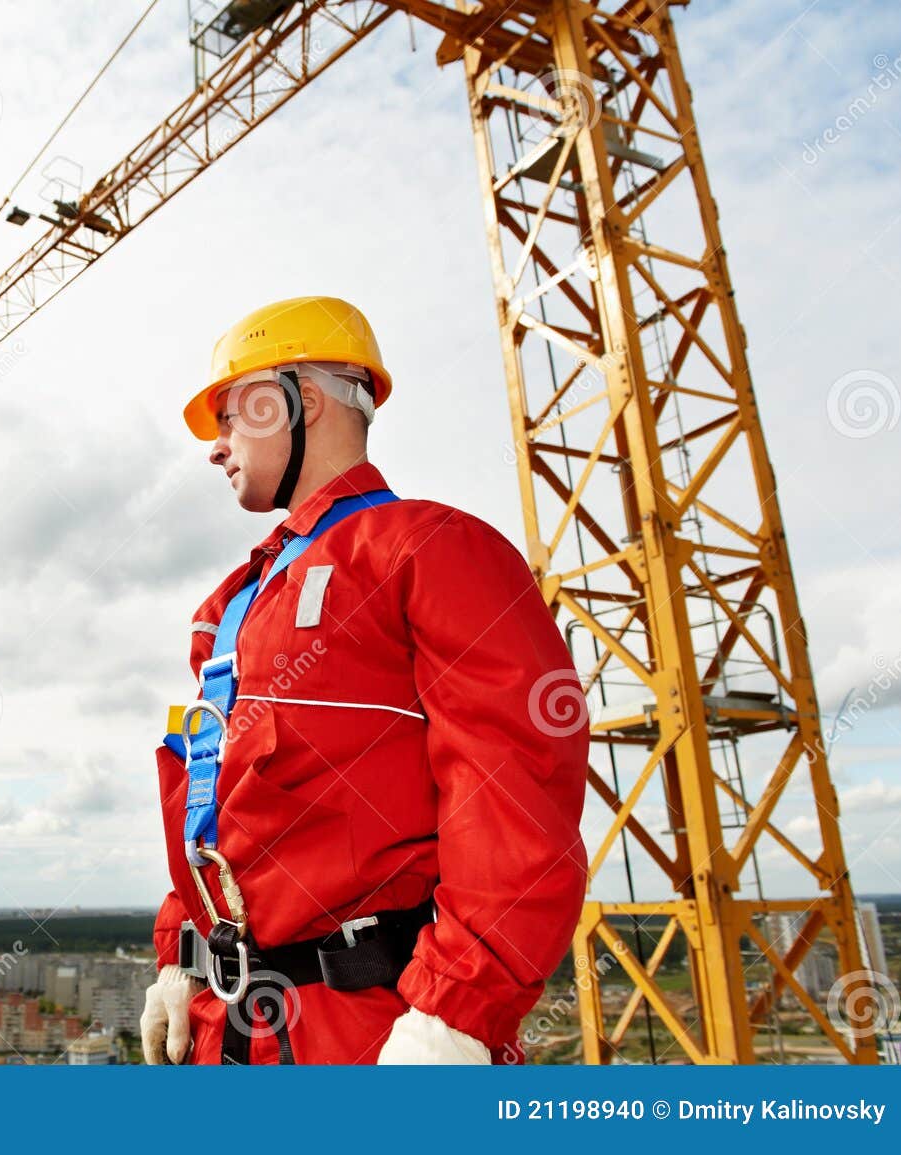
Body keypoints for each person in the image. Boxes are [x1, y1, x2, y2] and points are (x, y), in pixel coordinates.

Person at [140, 296, 589, 1065]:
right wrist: (183, 952)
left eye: (229, 417)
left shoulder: (430, 550)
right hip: (233, 1032)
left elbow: (514, 792)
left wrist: (455, 1015)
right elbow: (216, 807)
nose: (215, 448)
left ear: (298, 399)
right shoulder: (227, 610)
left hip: (371, 1033)